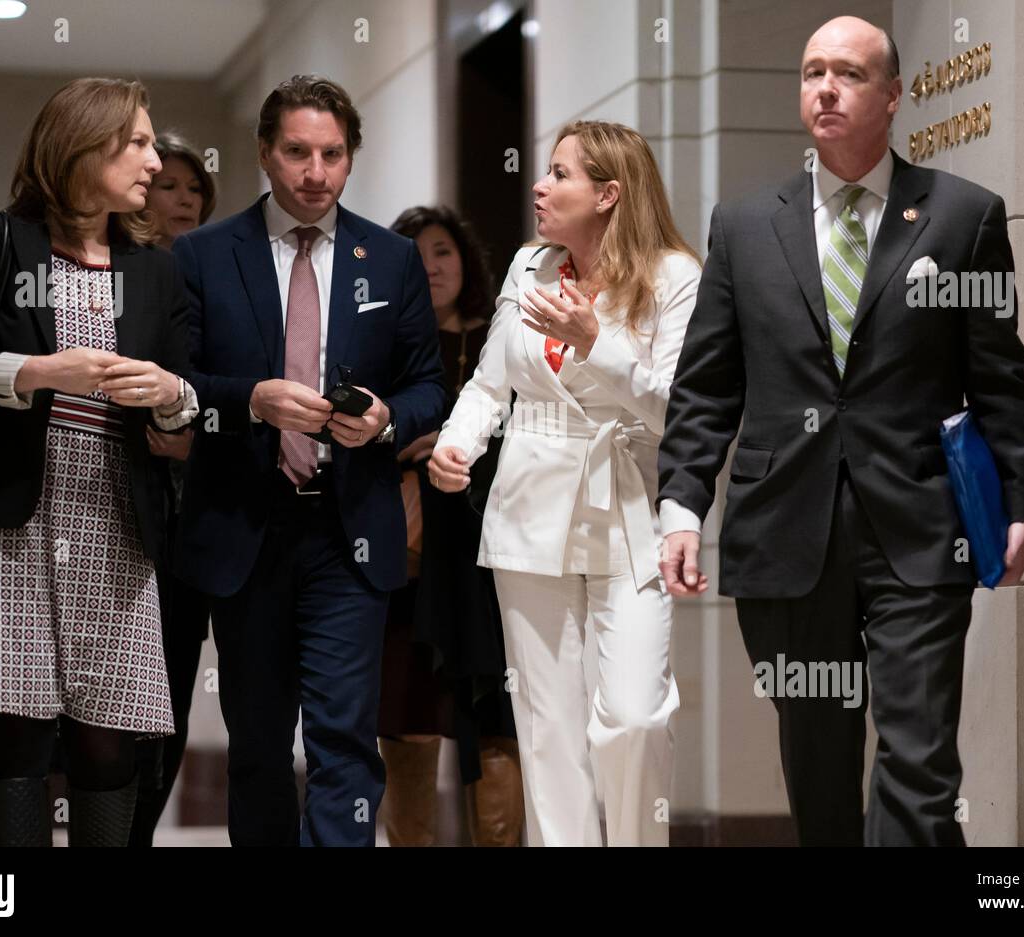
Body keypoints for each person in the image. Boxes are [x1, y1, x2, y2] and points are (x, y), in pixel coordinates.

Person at [657, 16, 1024, 846]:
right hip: (784, 527)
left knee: (920, 768)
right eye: (812, 71)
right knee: (817, 765)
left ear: (893, 95)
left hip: (919, 528)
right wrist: (681, 506)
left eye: (847, 73)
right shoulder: (742, 226)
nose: (825, 88)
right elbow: (708, 386)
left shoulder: (962, 217)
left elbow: (999, 373)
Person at [172, 74, 447, 846]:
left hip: (349, 527)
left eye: (332, 154)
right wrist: (251, 400)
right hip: (243, 526)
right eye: (297, 152)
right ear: (266, 152)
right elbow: (175, 383)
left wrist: (390, 417)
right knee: (259, 746)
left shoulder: (389, 260)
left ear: (351, 158)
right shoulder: (202, 254)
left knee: (343, 740)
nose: (315, 172)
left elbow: (431, 384)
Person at [0, 76, 199, 847]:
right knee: (15, 741)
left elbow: (186, 401)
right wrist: (40, 371)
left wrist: (172, 393)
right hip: (8, 519)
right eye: (138, 142)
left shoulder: (153, 267)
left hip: (115, 515)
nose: (153, 161)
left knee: (109, 741)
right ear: (86, 143)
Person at [428, 120, 701, 846]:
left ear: (609, 193)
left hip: (629, 501)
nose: (539, 186)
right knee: (548, 730)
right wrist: (455, 445)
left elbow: (680, 410)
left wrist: (596, 345)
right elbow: (491, 384)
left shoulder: (675, 276)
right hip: (529, 506)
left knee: (636, 717)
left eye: (559, 173)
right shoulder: (529, 266)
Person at [378, 205, 522, 846]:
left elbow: (531, 433)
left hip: (485, 558)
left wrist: (459, 441)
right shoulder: (381, 342)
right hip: (406, 560)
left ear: (465, 258)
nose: (430, 266)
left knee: (494, 715)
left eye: (442, 251)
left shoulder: (502, 338)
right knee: (405, 715)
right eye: (412, 254)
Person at [129, 130, 217, 846]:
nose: (184, 197)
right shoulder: (115, 275)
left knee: (170, 699)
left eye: (195, 189)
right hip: (111, 513)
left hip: (193, 525)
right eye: (170, 185)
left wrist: (201, 435)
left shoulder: (218, 280)